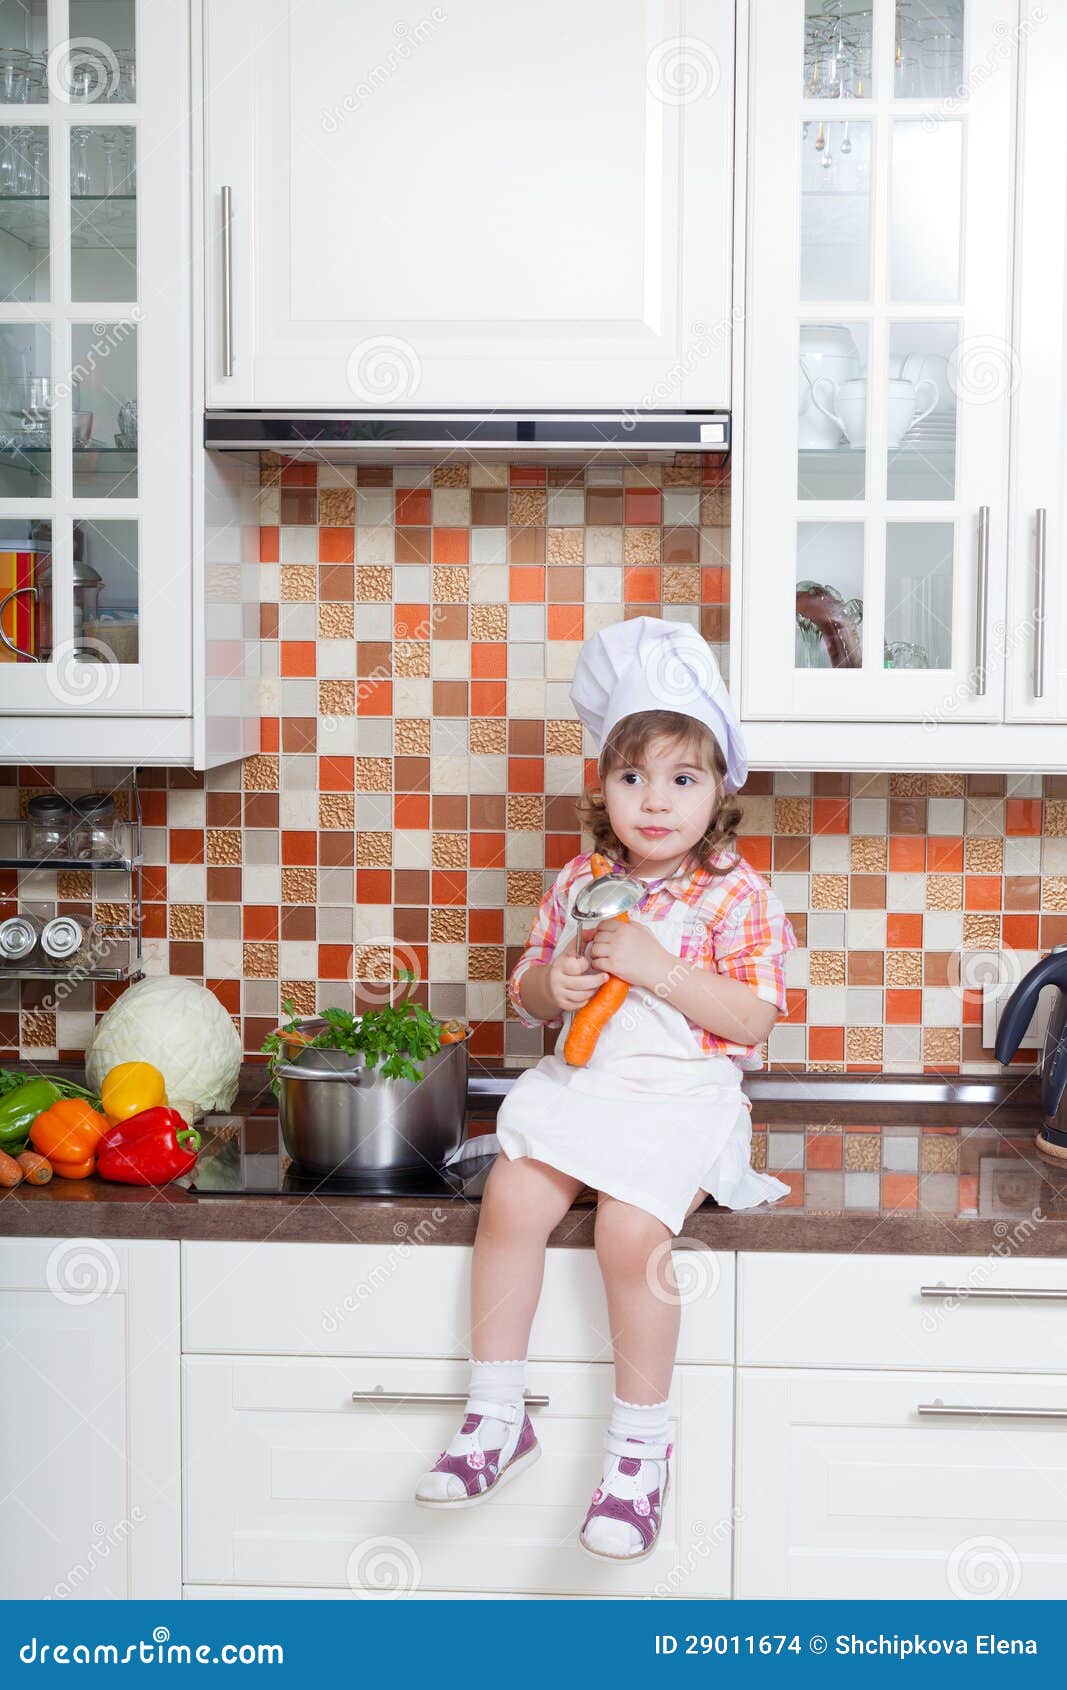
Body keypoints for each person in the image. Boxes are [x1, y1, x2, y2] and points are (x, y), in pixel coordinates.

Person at [413, 615, 798, 1563]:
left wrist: (658, 967)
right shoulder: (579, 879)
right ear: (603, 788)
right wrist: (560, 985)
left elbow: (752, 1022)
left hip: (683, 1096)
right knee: (509, 1196)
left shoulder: (736, 895)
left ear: (720, 791)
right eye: (631, 777)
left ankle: (638, 1453)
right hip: (584, 1085)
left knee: (630, 1232)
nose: (654, 802)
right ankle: (497, 1415)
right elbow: (529, 986)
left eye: (682, 778)